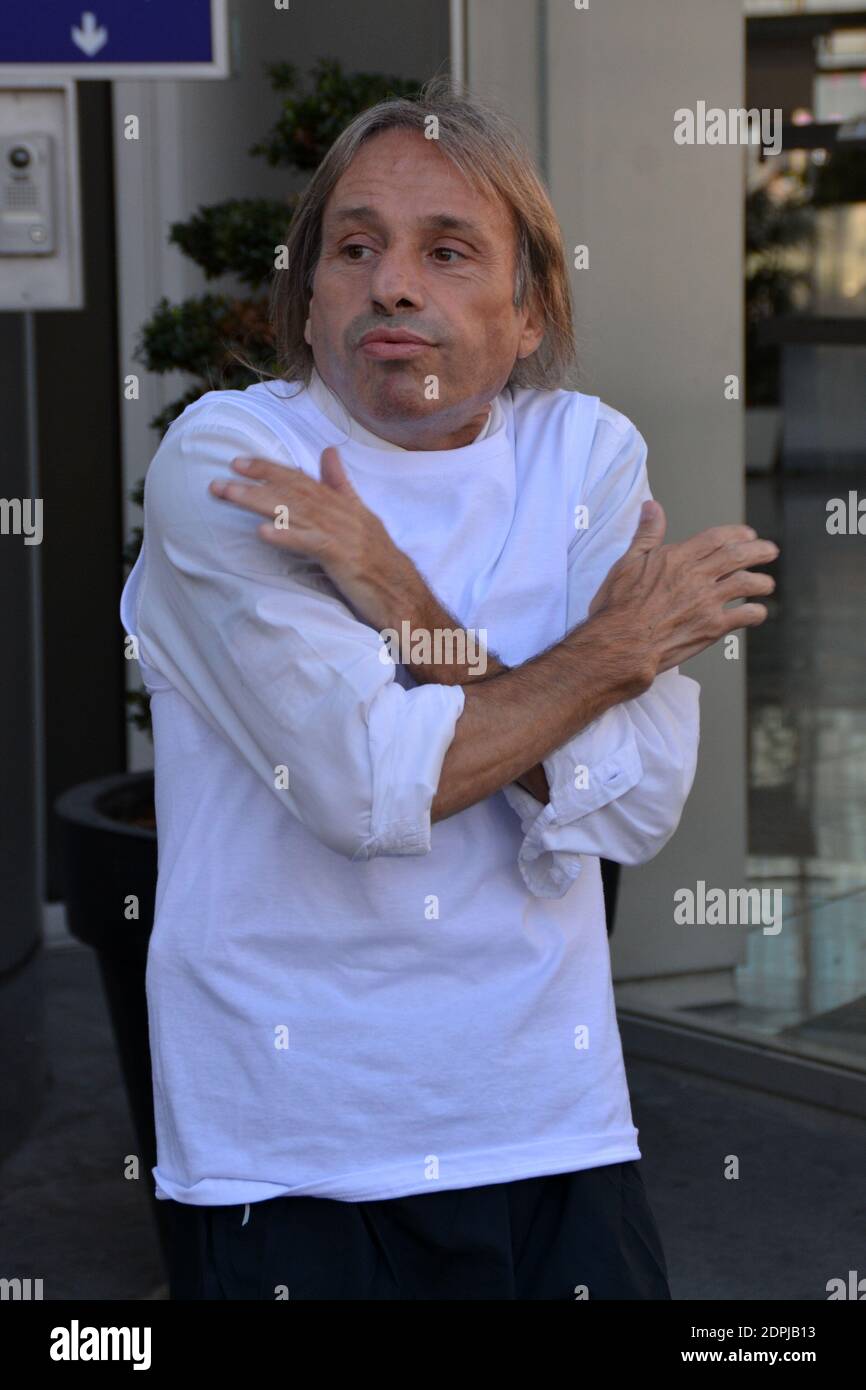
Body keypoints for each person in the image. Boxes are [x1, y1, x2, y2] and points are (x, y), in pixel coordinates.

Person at [120, 76, 778, 1300]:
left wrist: (402, 600)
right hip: (294, 1146)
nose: (393, 284)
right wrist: (605, 655)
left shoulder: (582, 452)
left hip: (550, 1122)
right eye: (353, 247)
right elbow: (368, 784)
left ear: (529, 314)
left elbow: (631, 807)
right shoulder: (231, 459)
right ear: (307, 301)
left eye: (446, 249)